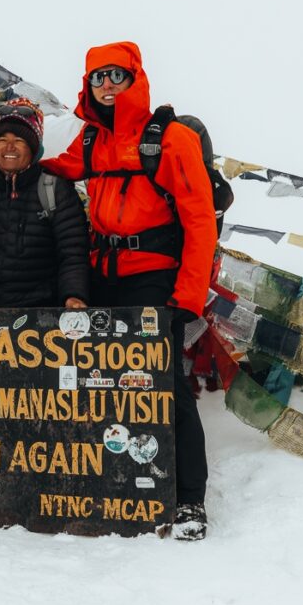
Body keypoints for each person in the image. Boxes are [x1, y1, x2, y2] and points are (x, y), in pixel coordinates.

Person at [42, 41, 218, 541]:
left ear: (135, 77)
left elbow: (200, 221)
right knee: (97, 378)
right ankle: (112, 482)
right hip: (102, 274)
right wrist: (5, 167)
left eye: (116, 75)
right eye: (97, 77)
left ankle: (188, 500)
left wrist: (185, 299)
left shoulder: (171, 138)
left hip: (153, 276)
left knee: (163, 383)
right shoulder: (92, 139)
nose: (106, 85)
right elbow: (60, 169)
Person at [0, 98, 89, 309]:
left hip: (43, 315)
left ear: (33, 147)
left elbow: (74, 255)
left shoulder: (57, 192)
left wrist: (74, 296)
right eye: (2, 139)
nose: (9, 146)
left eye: (20, 140)